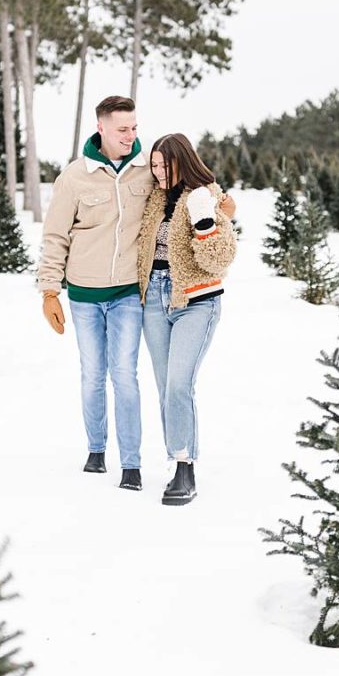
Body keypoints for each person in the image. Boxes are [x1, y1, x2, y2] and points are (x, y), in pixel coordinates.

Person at [38, 97, 233, 492]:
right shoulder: (76, 177)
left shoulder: (151, 171)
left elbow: (203, 202)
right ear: (101, 128)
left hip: (141, 292)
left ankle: (162, 466)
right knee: (100, 374)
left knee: (141, 378)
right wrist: (49, 289)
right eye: (123, 129)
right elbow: (55, 234)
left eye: (134, 127)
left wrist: (221, 209)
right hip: (103, 292)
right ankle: (98, 449)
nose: (131, 136)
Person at [136, 133, 236, 506]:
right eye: (154, 165)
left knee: (179, 384)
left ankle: (184, 468)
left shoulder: (204, 196)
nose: (158, 171)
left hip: (196, 300)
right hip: (154, 299)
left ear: (183, 161)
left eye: (165, 164)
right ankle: (175, 453)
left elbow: (219, 259)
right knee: (165, 388)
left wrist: (205, 220)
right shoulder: (155, 197)